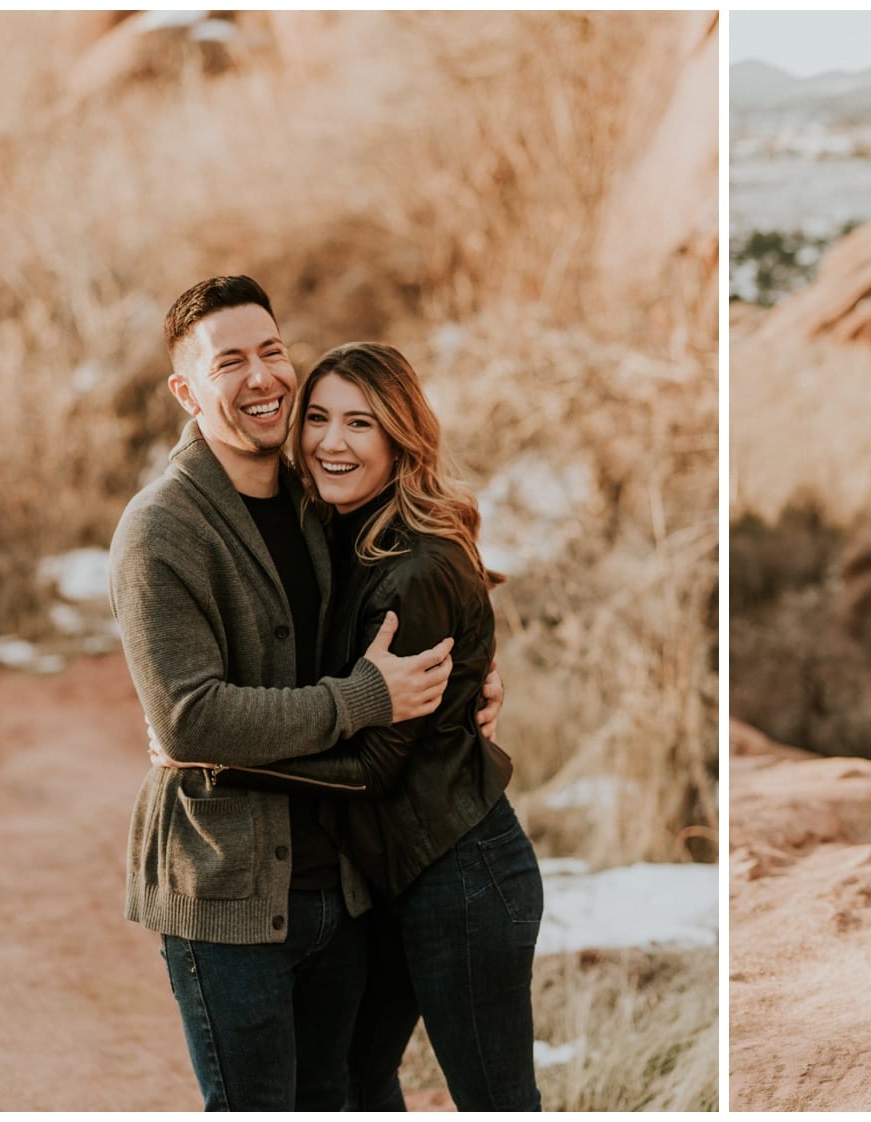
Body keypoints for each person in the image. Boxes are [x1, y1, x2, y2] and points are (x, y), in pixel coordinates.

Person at [155, 342, 544, 1111]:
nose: (332, 442)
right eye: (320, 419)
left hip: (462, 876)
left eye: (360, 424)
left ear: (401, 437)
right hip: (391, 880)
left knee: (496, 1101)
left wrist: (216, 763)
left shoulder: (414, 567)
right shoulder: (338, 531)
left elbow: (373, 767)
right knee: (356, 1087)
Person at [110, 275, 465, 1110]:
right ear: (185, 390)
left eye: (273, 350)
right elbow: (192, 719)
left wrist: (472, 680)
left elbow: (426, 572)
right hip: (225, 900)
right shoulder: (161, 530)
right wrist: (365, 698)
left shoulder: (318, 493)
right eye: (230, 361)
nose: (264, 376)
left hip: (339, 888)